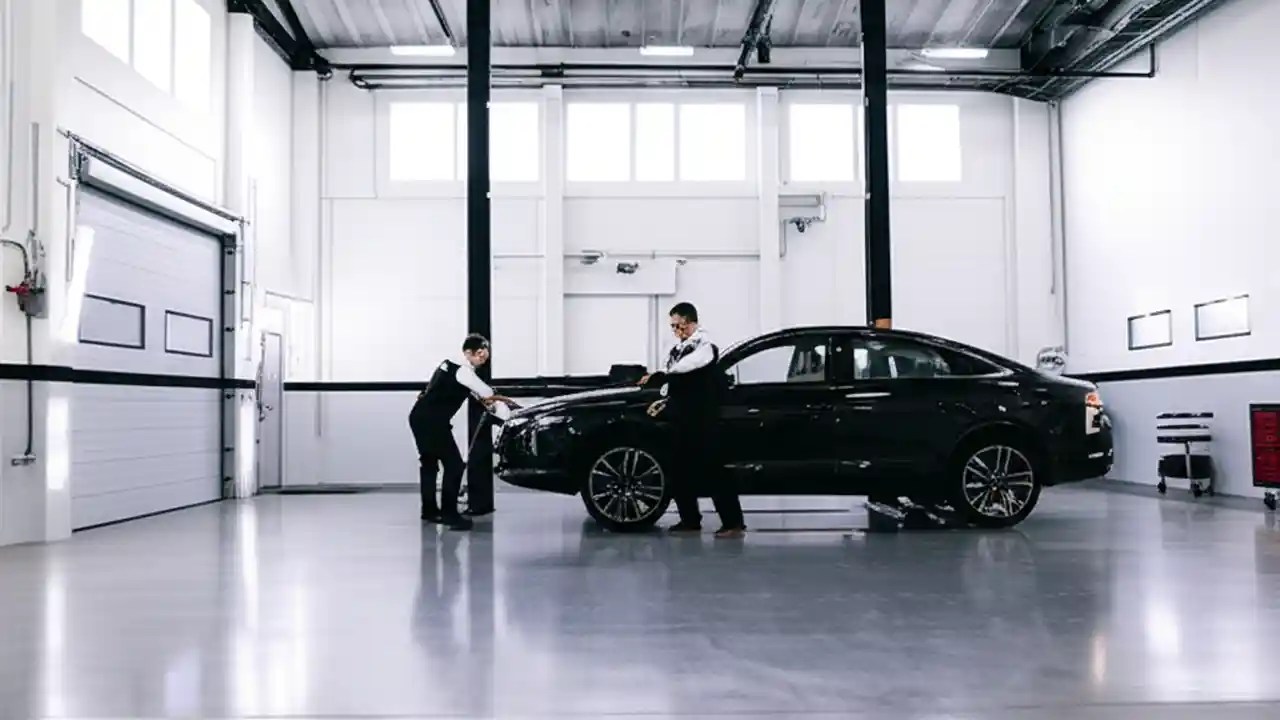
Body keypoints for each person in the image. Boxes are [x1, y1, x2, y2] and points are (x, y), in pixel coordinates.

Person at [640, 302, 746, 539]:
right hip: (683, 419)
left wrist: (661, 376)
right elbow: (675, 381)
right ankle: (689, 520)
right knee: (679, 471)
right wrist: (663, 397)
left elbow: (686, 368)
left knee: (715, 471)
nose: (675, 330)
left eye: (679, 325)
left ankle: (733, 523)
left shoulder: (705, 346)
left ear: (690, 322)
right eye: (673, 326)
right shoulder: (679, 349)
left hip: (703, 420)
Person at [409, 333, 511, 531]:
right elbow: (487, 393)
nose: (483, 358)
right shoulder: (464, 372)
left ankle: (429, 510)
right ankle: (450, 515)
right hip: (432, 422)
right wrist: (506, 415)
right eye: (479, 354)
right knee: (454, 465)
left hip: (418, 417)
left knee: (429, 464)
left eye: (485, 355)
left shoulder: (448, 364)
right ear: (468, 352)